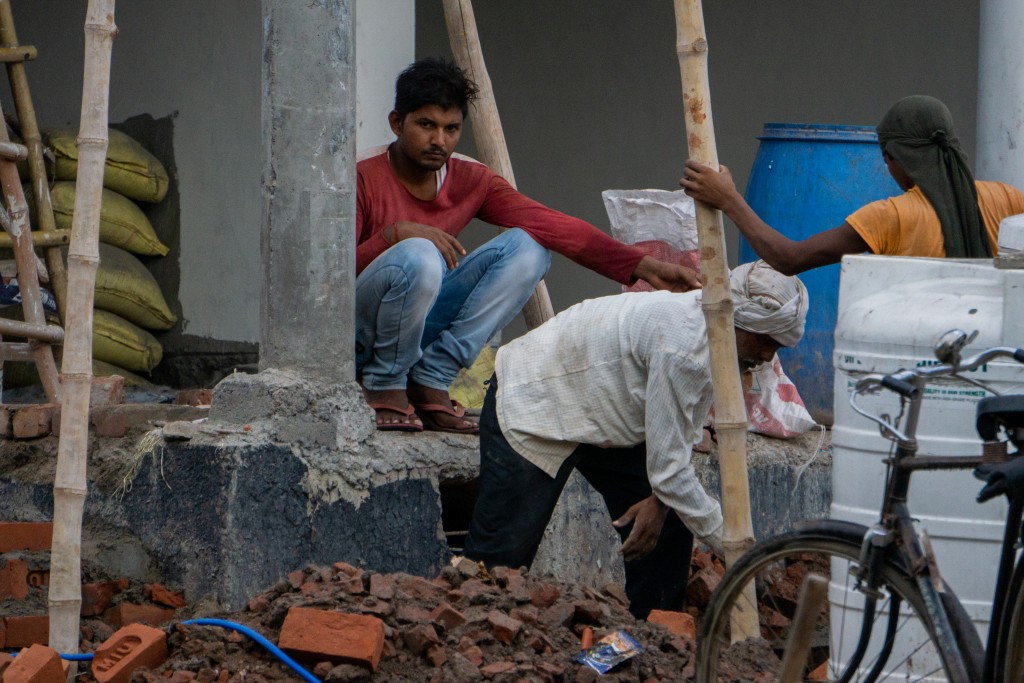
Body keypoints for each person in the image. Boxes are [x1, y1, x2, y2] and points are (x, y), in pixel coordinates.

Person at [356, 58, 702, 434]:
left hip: (419, 331)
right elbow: (327, 283)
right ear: (396, 123)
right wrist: (395, 234)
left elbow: (556, 227)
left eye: (451, 128)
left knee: (531, 247)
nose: (440, 141)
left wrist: (646, 267)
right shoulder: (359, 174)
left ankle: (430, 378)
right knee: (420, 252)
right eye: (426, 125)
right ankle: (385, 384)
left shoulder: (470, 179)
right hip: (359, 332)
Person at [463, 261, 808, 619]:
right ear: (737, 320)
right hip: (537, 402)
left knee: (670, 520)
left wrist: (660, 500)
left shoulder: (717, 336)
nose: (769, 356)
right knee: (500, 562)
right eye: (766, 342)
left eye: (778, 345)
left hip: (609, 412)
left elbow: (682, 432)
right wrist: (737, 548)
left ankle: (655, 634)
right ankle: (470, 635)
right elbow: (670, 472)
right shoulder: (684, 348)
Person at [679, 95, 1024, 275]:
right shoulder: (1007, 199)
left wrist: (729, 199)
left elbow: (788, 258)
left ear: (895, 157)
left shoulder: (891, 217)